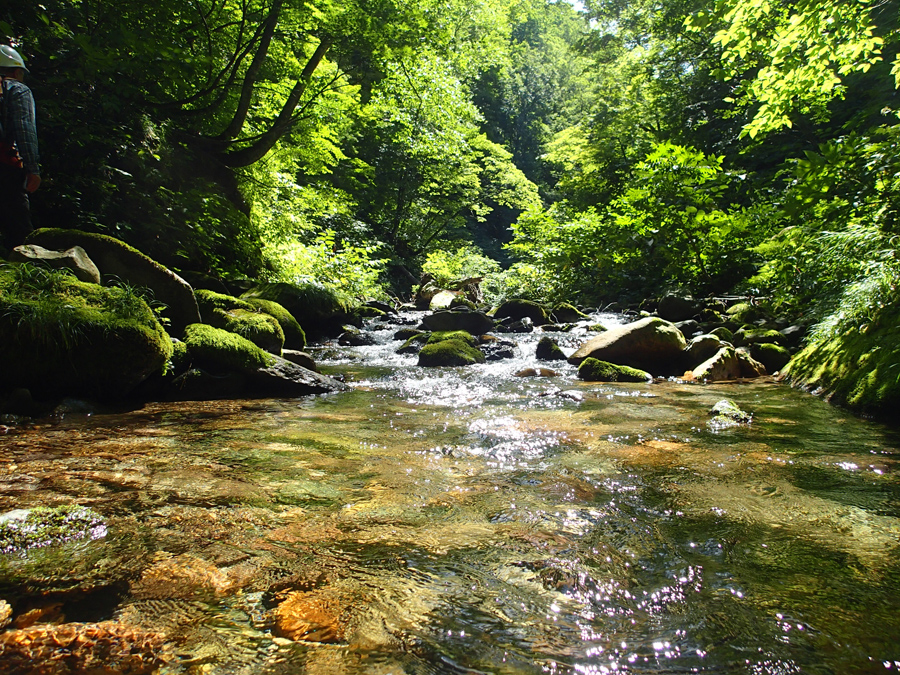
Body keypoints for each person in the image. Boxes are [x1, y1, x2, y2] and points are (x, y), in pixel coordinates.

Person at [0, 45, 40, 252]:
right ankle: (23, 267)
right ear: (16, 71)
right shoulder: (17, 89)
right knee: (19, 230)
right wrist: (32, 168)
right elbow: (24, 129)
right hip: (5, 164)